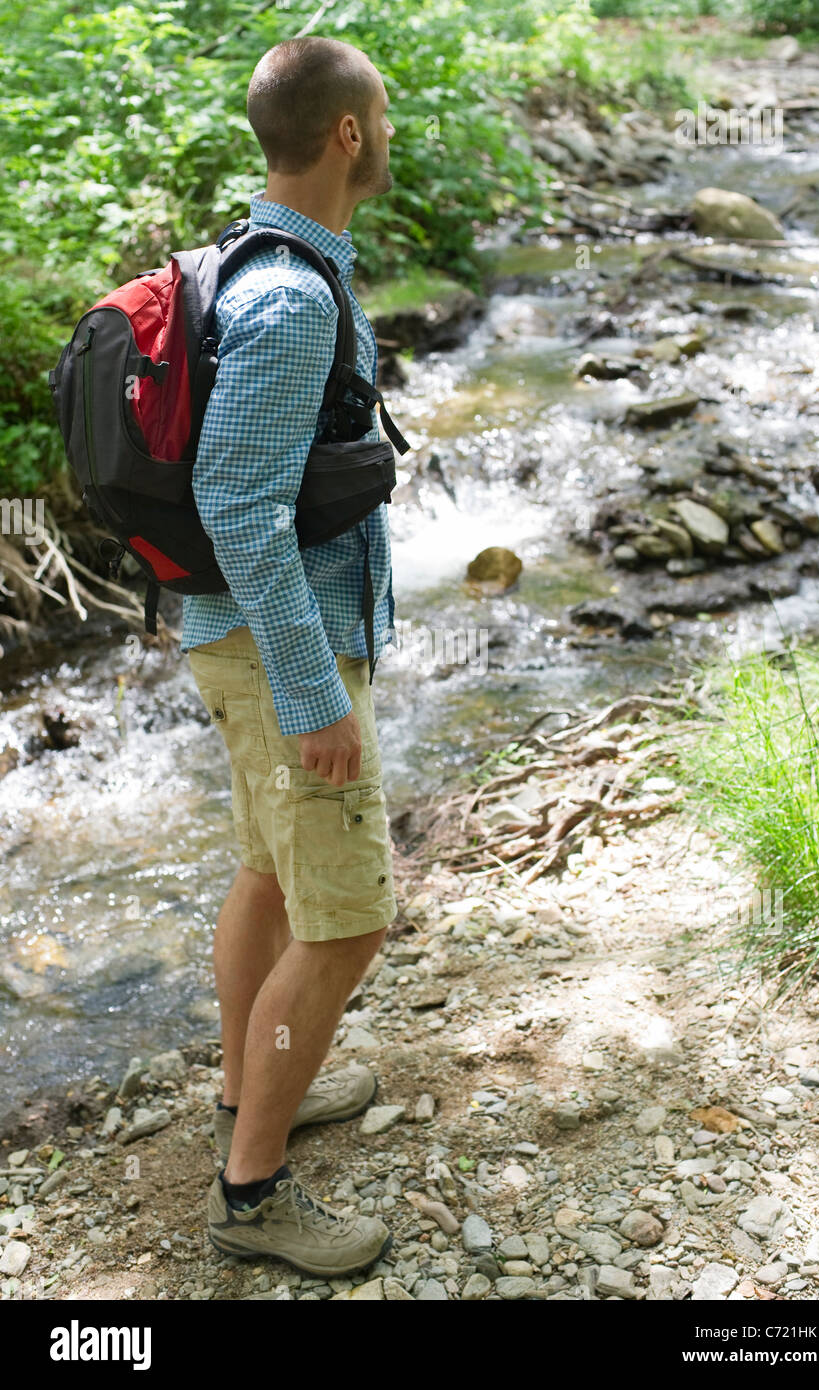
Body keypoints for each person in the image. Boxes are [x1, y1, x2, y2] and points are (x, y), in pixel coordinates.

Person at [180, 35, 399, 1276]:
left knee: (270, 874)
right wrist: (318, 693)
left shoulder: (268, 262)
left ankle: (244, 1091)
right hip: (281, 652)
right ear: (349, 134)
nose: (391, 129)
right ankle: (252, 1194)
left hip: (252, 639)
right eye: (387, 113)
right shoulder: (288, 294)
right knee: (350, 921)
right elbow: (237, 499)